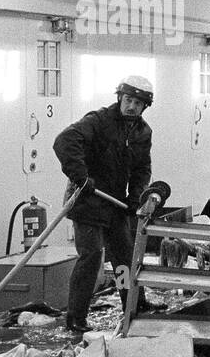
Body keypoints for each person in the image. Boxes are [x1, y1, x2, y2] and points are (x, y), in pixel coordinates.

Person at [53, 76, 156, 333]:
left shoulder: (143, 133)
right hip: (88, 199)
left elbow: (142, 169)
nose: (131, 106)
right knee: (91, 256)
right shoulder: (99, 121)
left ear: (145, 107)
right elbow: (65, 141)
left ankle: (132, 306)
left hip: (115, 202)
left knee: (123, 258)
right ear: (120, 98)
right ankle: (76, 318)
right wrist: (81, 176)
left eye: (138, 103)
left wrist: (136, 197)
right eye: (128, 100)